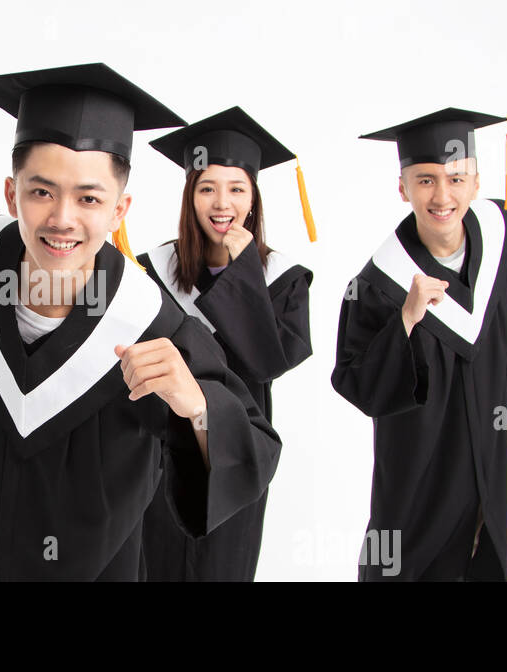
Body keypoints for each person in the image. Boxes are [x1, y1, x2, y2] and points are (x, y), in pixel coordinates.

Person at [0, 63, 283, 580]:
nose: (62, 218)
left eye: (89, 198)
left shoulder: (149, 321)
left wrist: (195, 405)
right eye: (41, 192)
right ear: (10, 193)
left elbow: (255, 447)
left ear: (119, 210)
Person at [332, 108, 507, 581]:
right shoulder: (378, 284)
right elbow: (357, 382)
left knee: (482, 555)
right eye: (425, 180)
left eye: (455, 179)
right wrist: (405, 320)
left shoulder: (504, 235)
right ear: (403, 187)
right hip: (418, 473)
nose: (442, 195)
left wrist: (501, 378)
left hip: (487, 452)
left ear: (475, 181)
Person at [136, 107, 313, 581]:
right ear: (190, 196)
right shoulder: (151, 270)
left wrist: (245, 276)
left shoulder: (283, 278)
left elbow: (266, 364)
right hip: (158, 451)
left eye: (237, 188)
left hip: (236, 451)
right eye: (207, 187)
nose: (222, 202)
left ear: (253, 198)